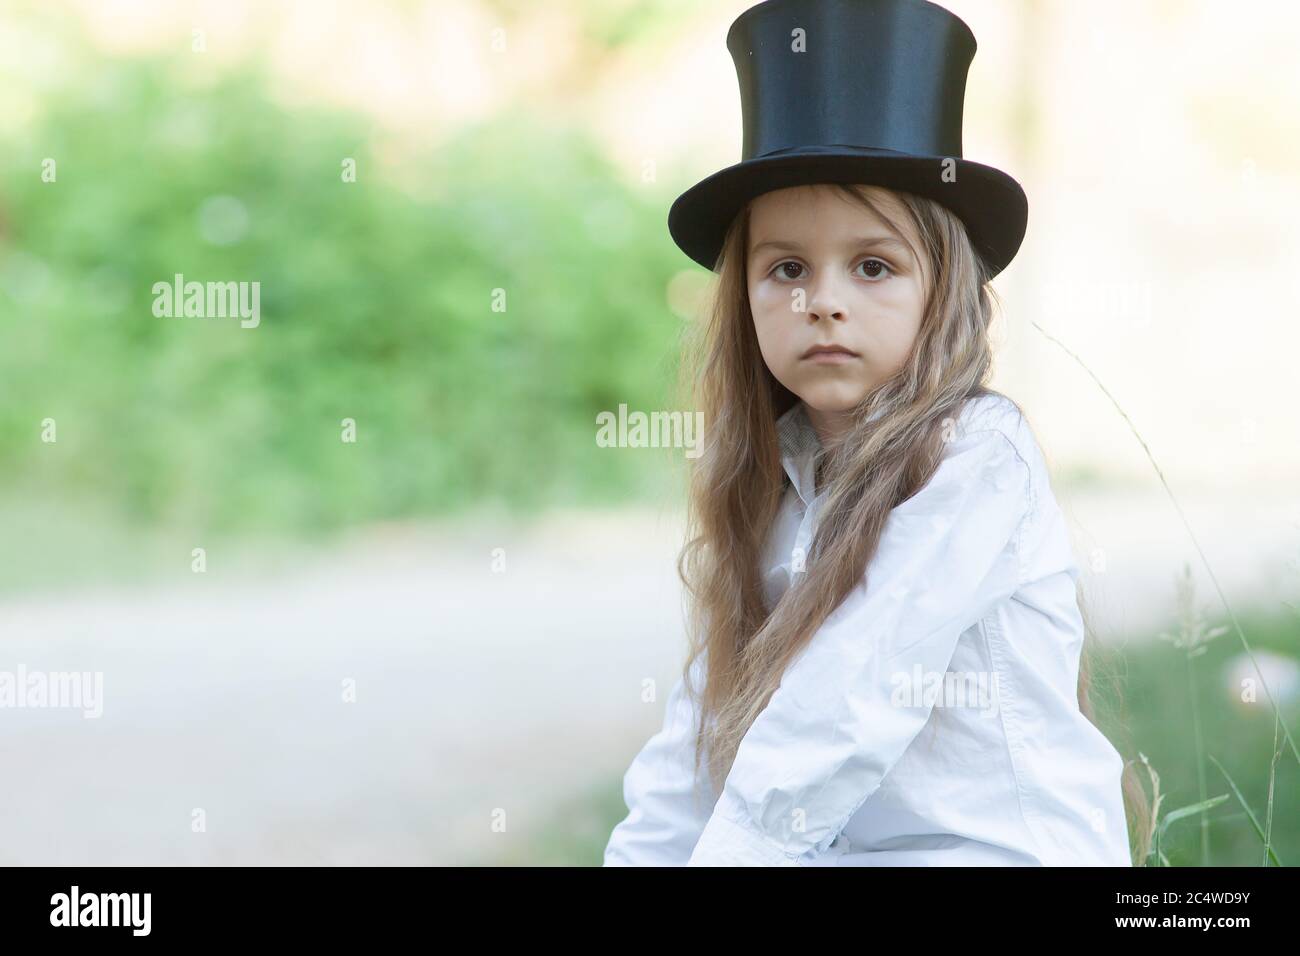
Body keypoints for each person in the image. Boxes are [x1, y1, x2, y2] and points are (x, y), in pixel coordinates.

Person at [603, 0, 1146, 866]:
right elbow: (698, 737)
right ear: (744, 298)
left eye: (873, 265)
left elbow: (846, 702)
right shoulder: (773, 486)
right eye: (785, 267)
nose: (822, 298)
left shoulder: (974, 456)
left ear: (944, 289)